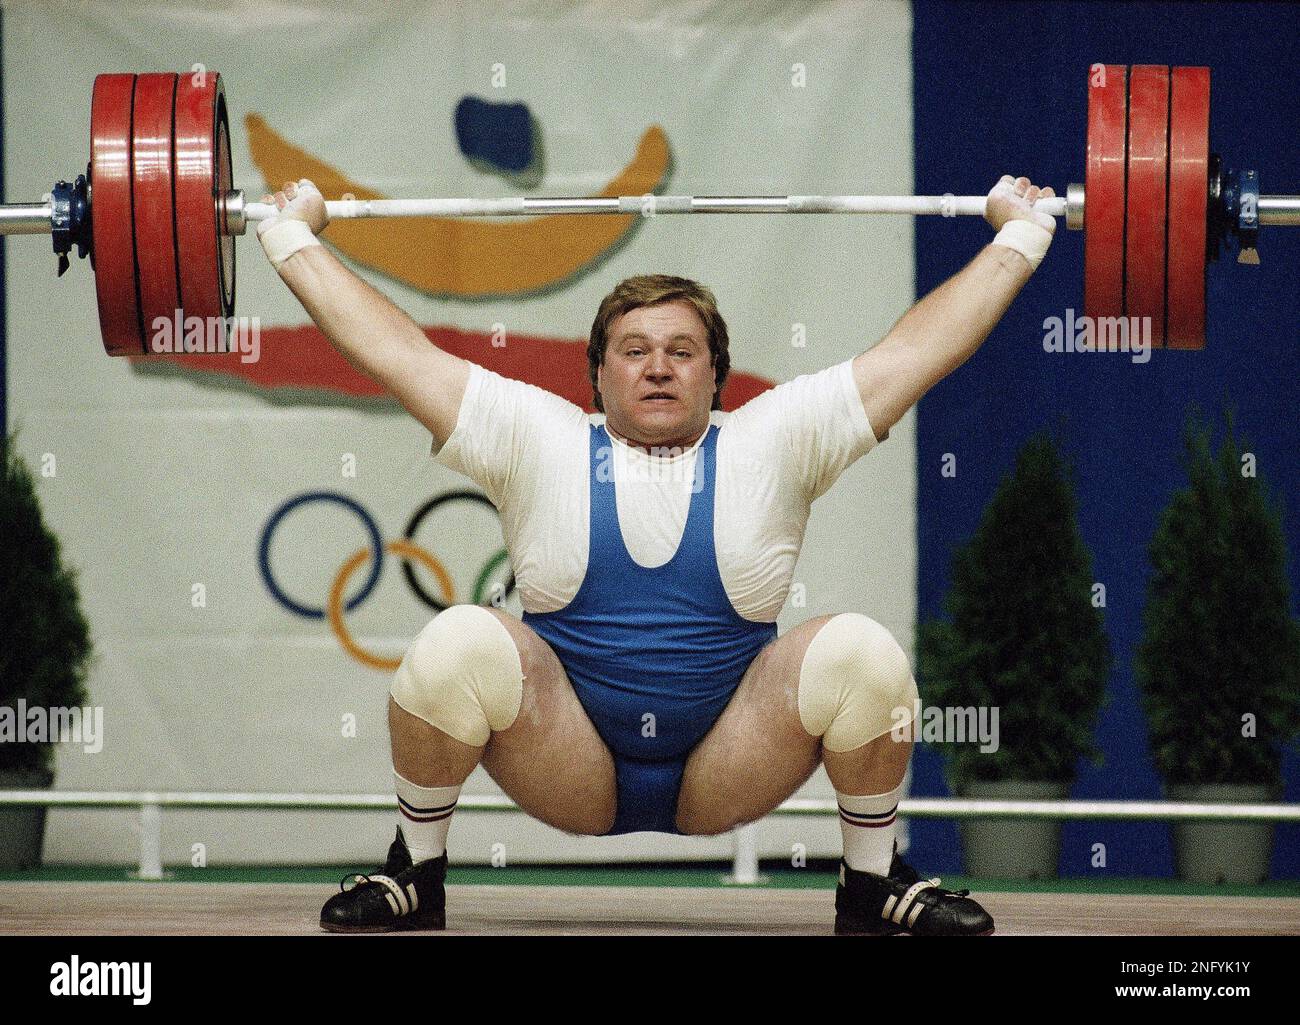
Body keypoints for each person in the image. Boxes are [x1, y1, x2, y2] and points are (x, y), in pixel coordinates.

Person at [255, 174, 1055, 935]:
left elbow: (915, 353)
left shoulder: (775, 438)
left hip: (729, 762)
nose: (660, 367)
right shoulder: (536, 436)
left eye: (682, 349)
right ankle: (416, 871)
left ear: (717, 373)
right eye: (634, 350)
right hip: (567, 760)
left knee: (861, 651)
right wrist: (293, 237)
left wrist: (1018, 238)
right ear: (598, 376)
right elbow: (398, 353)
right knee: (456, 640)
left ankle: (871, 881)